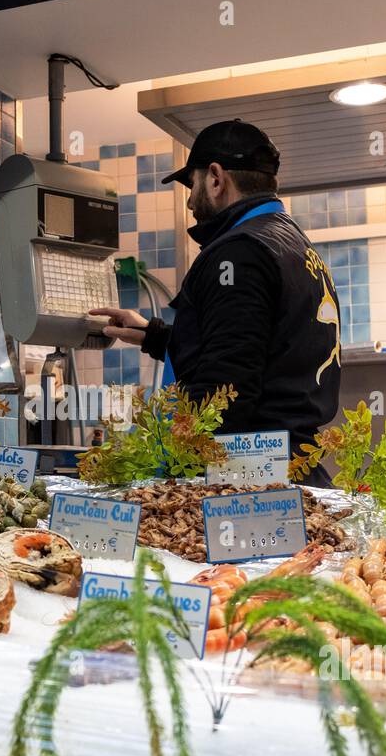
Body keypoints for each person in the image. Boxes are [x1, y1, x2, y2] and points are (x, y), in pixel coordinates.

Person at [90, 119, 342, 487]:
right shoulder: (292, 243)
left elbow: (227, 386)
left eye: (191, 185)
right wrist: (157, 337)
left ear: (215, 177)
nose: (191, 200)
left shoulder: (240, 252)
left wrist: (174, 480)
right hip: (291, 466)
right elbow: (256, 343)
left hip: (252, 478)